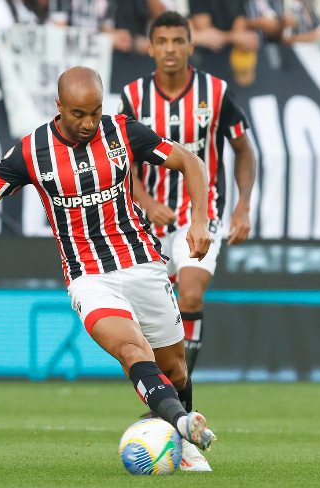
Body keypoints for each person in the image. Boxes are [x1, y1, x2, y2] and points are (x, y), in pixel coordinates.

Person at [0, 66, 217, 467]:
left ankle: (180, 429)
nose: (88, 123)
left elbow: (191, 162)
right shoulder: (30, 152)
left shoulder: (123, 131)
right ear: (58, 107)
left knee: (176, 370)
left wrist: (201, 220)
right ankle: (183, 427)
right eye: (78, 114)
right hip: (88, 275)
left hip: (142, 263)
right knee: (130, 348)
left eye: (95, 112)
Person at [119, 11, 256, 470]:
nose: (171, 48)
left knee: (191, 290)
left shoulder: (215, 93)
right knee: (150, 324)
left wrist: (242, 207)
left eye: (179, 40)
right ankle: (173, 397)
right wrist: (143, 199)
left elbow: (243, 150)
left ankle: (176, 394)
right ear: (151, 47)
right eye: (163, 41)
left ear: (191, 45)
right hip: (148, 222)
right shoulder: (133, 96)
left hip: (202, 216)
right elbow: (121, 161)